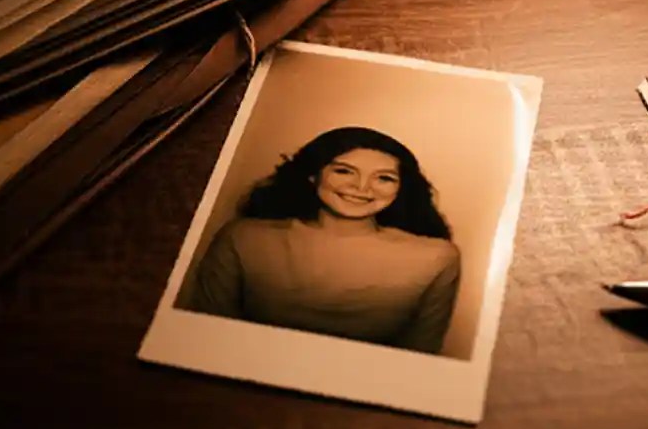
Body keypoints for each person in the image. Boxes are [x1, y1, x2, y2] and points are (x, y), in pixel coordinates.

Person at [184, 126, 461, 355]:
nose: (362, 188)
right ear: (312, 175)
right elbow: (206, 338)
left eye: (384, 178)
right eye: (343, 171)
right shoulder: (242, 237)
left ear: (401, 189)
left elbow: (418, 358)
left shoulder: (436, 258)